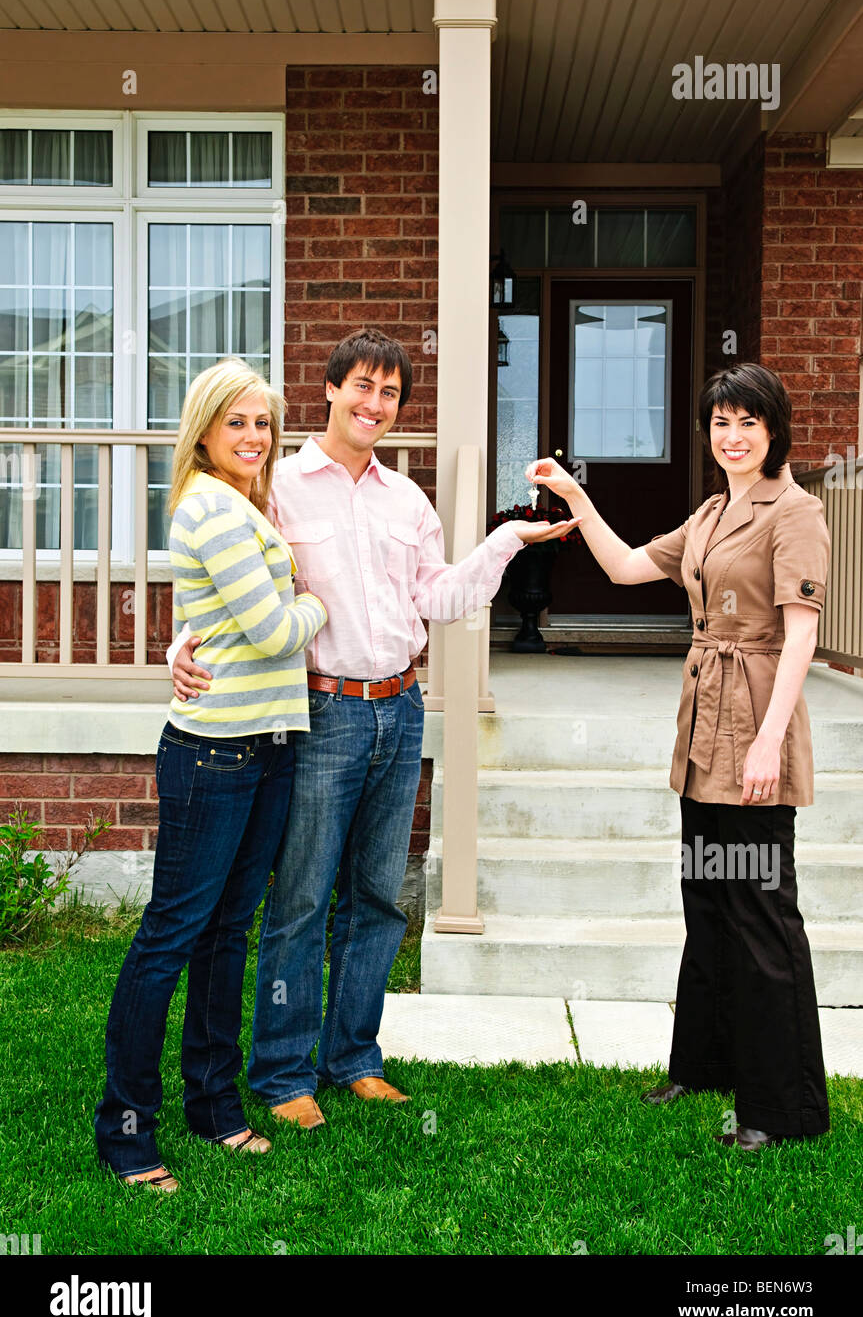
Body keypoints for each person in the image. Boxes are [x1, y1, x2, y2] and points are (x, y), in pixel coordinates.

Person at [170, 328, 579, 1128]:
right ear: (329, 389)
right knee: (300, 898)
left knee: (377, 899)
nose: (373, 403)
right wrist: (183, 645)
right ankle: (283, 1073)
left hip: (400, 708)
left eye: (389, 392)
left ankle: (353, 1058)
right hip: (321, 713)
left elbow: (439, 599)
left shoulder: (408, 500)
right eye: (362, 385)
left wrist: (503, 543)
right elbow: (217, 576)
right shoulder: (275, 485)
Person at [528, 362, 831, 1151]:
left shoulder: (793, 512)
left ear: (773, 432)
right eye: (719, 424)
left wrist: (768, 736)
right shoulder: (707, 512)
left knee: (761, 915)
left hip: (754, 724)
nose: (731, 438)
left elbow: (800, 633)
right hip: (703, 730)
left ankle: (783, 1110)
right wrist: (577, 499)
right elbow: (626, 565)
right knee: (708, 903)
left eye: (747, 424)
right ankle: (703, 1066)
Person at [95, 358, 328, 1190]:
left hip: (265, 744)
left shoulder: (243, 504)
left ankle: (214, 1105)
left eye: (263, 423)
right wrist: (316, 601)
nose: (254, 437)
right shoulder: (215, 510)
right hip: (214, 755)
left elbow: (220, 623)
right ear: (204, 431)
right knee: (171, 937)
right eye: (236, 423)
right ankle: (125, 1131)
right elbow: (273, 631)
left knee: (229, 933)